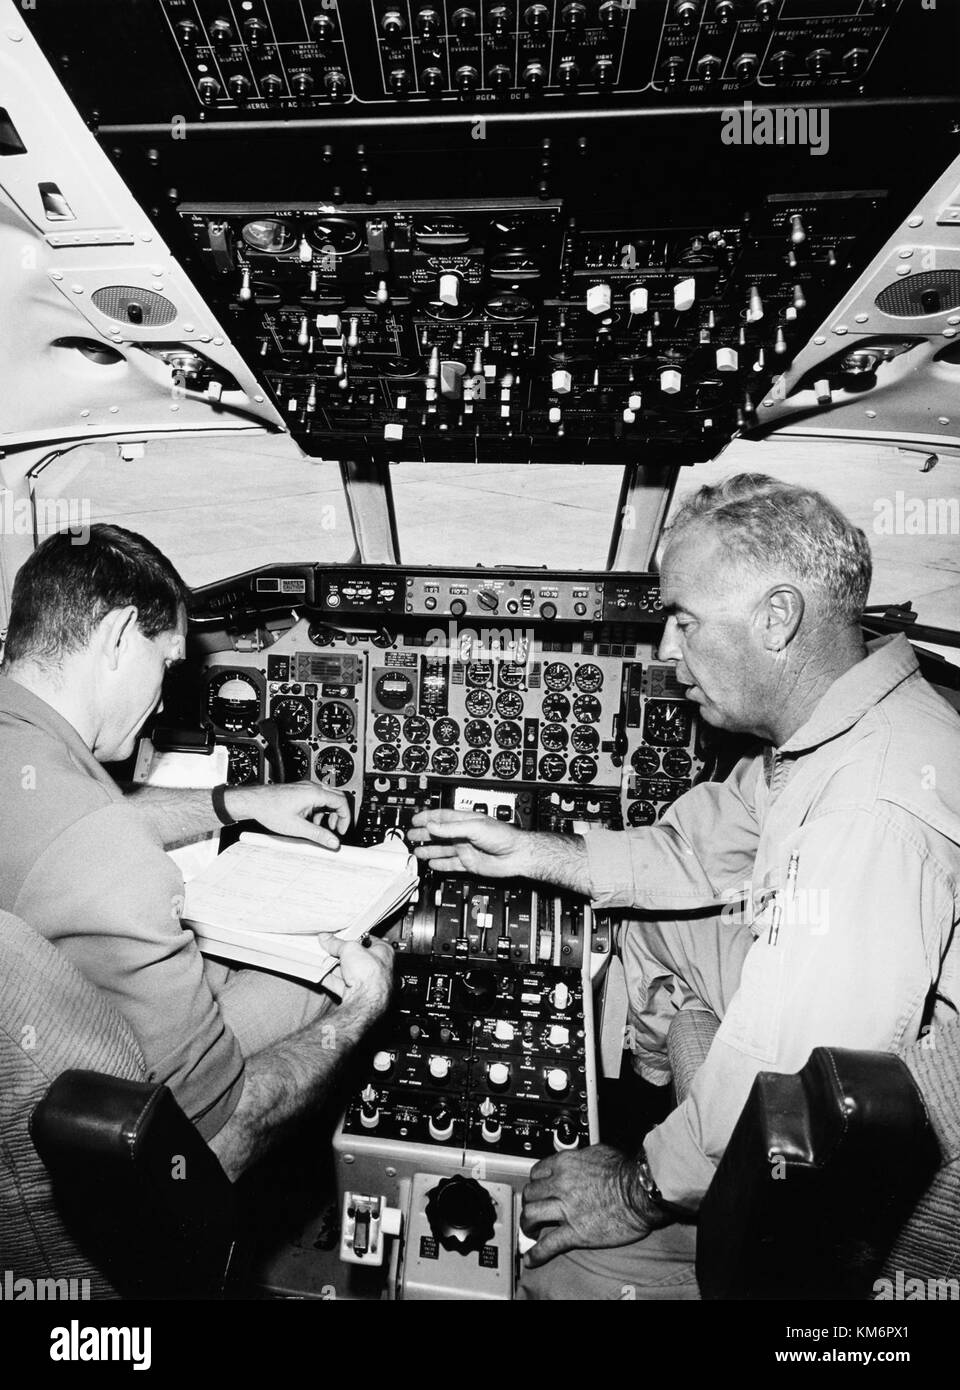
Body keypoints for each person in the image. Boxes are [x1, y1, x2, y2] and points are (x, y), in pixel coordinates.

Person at [410, 473, 960, 1299]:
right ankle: (649, 1100)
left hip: (895, 1126)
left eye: (685, 620)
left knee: (554, 1267)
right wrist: (527, 852)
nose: (666, 651)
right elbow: (693, 852)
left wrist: (637, 1189)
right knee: (652, 921)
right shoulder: (835, 725)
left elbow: (797, 1082)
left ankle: (661, 1163)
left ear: (777, 618)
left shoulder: (869, 812)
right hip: (851, 1023)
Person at [0, 523, 393, 1182]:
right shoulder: (106, 854)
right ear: (119, 636)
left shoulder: (33, 762)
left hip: (37, 1066)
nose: (161, 700)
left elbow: (76, 828)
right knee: (325, 967)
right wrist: (362, 1010)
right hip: (108, 1138)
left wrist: (235, 803)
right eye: (168, 661)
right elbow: (217, 1146)